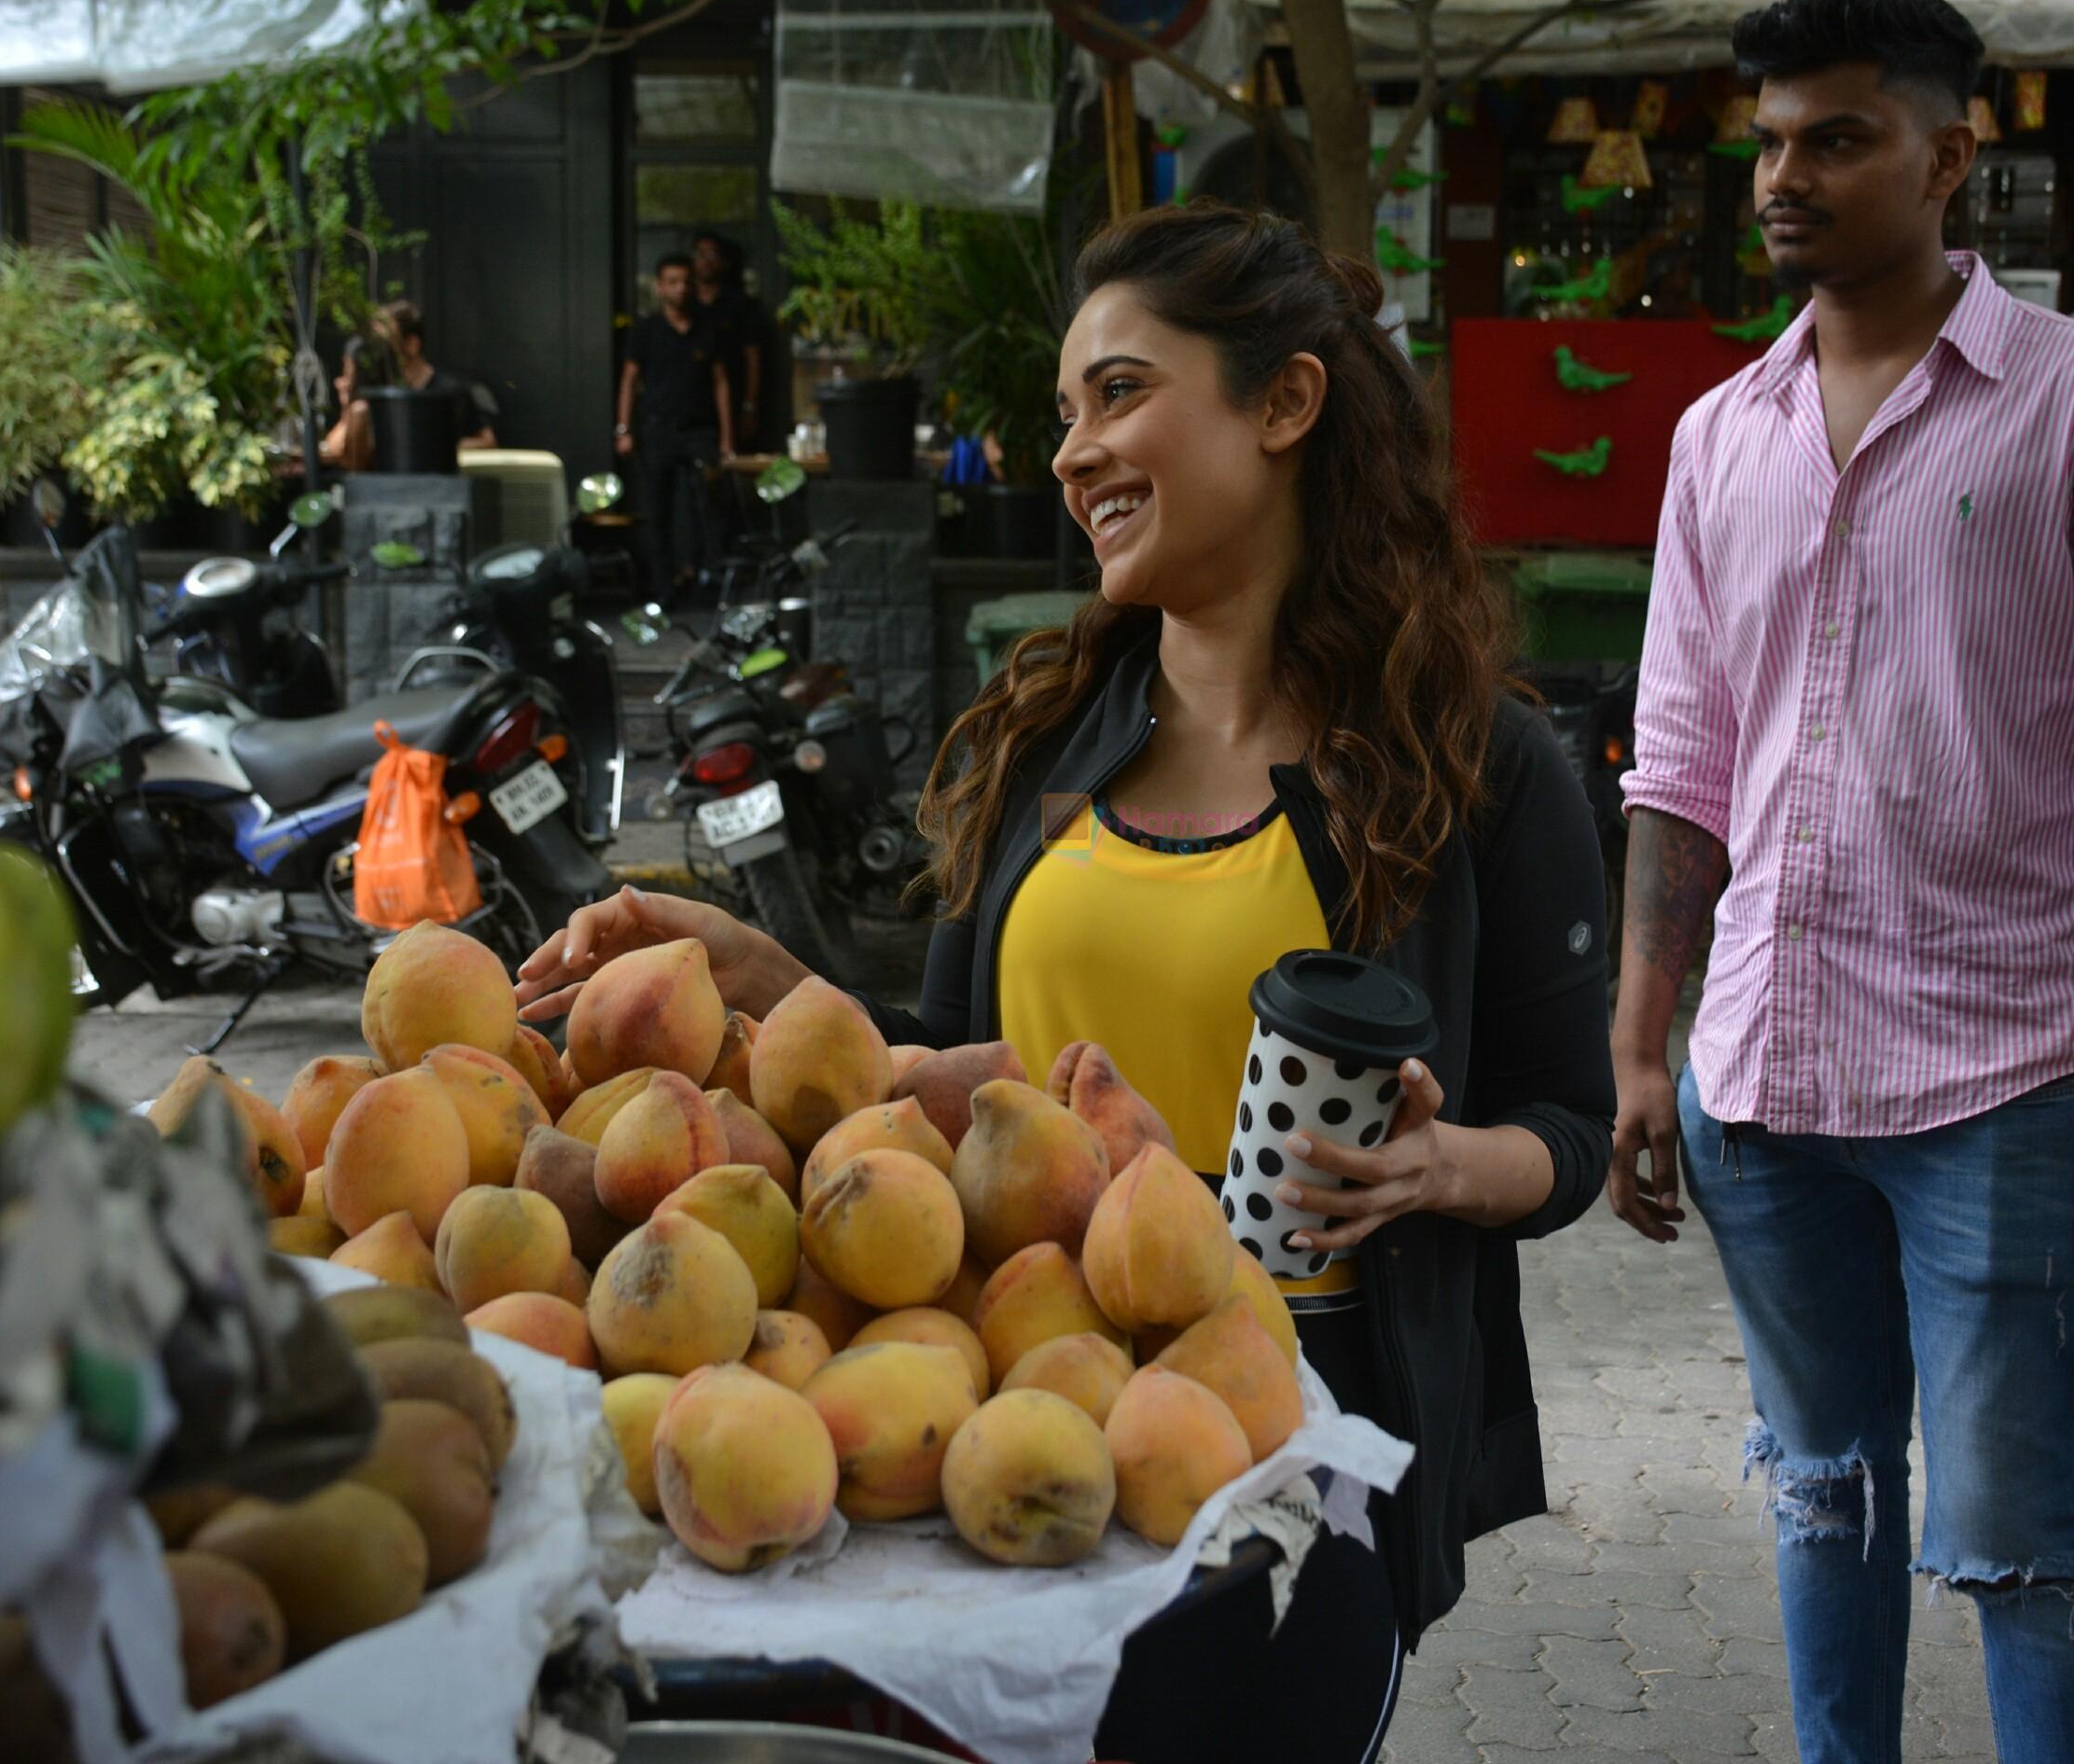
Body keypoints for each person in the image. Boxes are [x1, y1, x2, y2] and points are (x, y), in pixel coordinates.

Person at [522, 204, 1617, 1764]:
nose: (1069, 451)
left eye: (1118, 393)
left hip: (1273, 1465)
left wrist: (1443, 1168)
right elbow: (949, 1080)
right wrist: (766, 982)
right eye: (1063, 413)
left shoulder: (1473, 768)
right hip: (996, 1429)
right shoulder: (1044, 742)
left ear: (1285, 405)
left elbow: (1574, 1130)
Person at [1608, 0, 2074, 1764]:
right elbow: (1682, 766)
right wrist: (1649, 1045)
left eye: (1839, 139)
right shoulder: (1719, 435)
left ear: (1953, 155)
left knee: (2019, 1549)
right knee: (1822, 1496)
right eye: (1774, 145)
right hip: (1765, 1072)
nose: (1787, 178)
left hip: (2005, 1083)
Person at [616, 254, 737, 601]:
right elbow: (629, 379)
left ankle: (707, 580)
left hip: (700, 430)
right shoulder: (647, 331)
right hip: (657, 429)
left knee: (709, 505)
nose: (680, 289)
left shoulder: (708, 329)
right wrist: (623, 429)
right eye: (672, 281)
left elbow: (721, 383)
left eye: (686, 281)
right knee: (657, 511)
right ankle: (661, 588)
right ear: (659, 286)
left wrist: (727, 437)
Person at [378, 299, 499, 451]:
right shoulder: (381, 390)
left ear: (412, 344)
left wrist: (433, 447)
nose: (381, 353)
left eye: (387, 343)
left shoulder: (448, 392)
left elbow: (487, 442)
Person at [692, 230, 771, 451]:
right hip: (690, 408)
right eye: (700, 255)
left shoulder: (740, 305)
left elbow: (753, 357)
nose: (706, 262)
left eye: (713, 255)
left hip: (733, 399)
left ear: (724, 262)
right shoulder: (684, 306)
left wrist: (749, 406)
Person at [317, 334, 395, 474]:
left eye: (347, 367)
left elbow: (353, 467)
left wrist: (348, 409)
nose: (342, 376)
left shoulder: (360, 410)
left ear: (356, 371)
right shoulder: (366, 407)